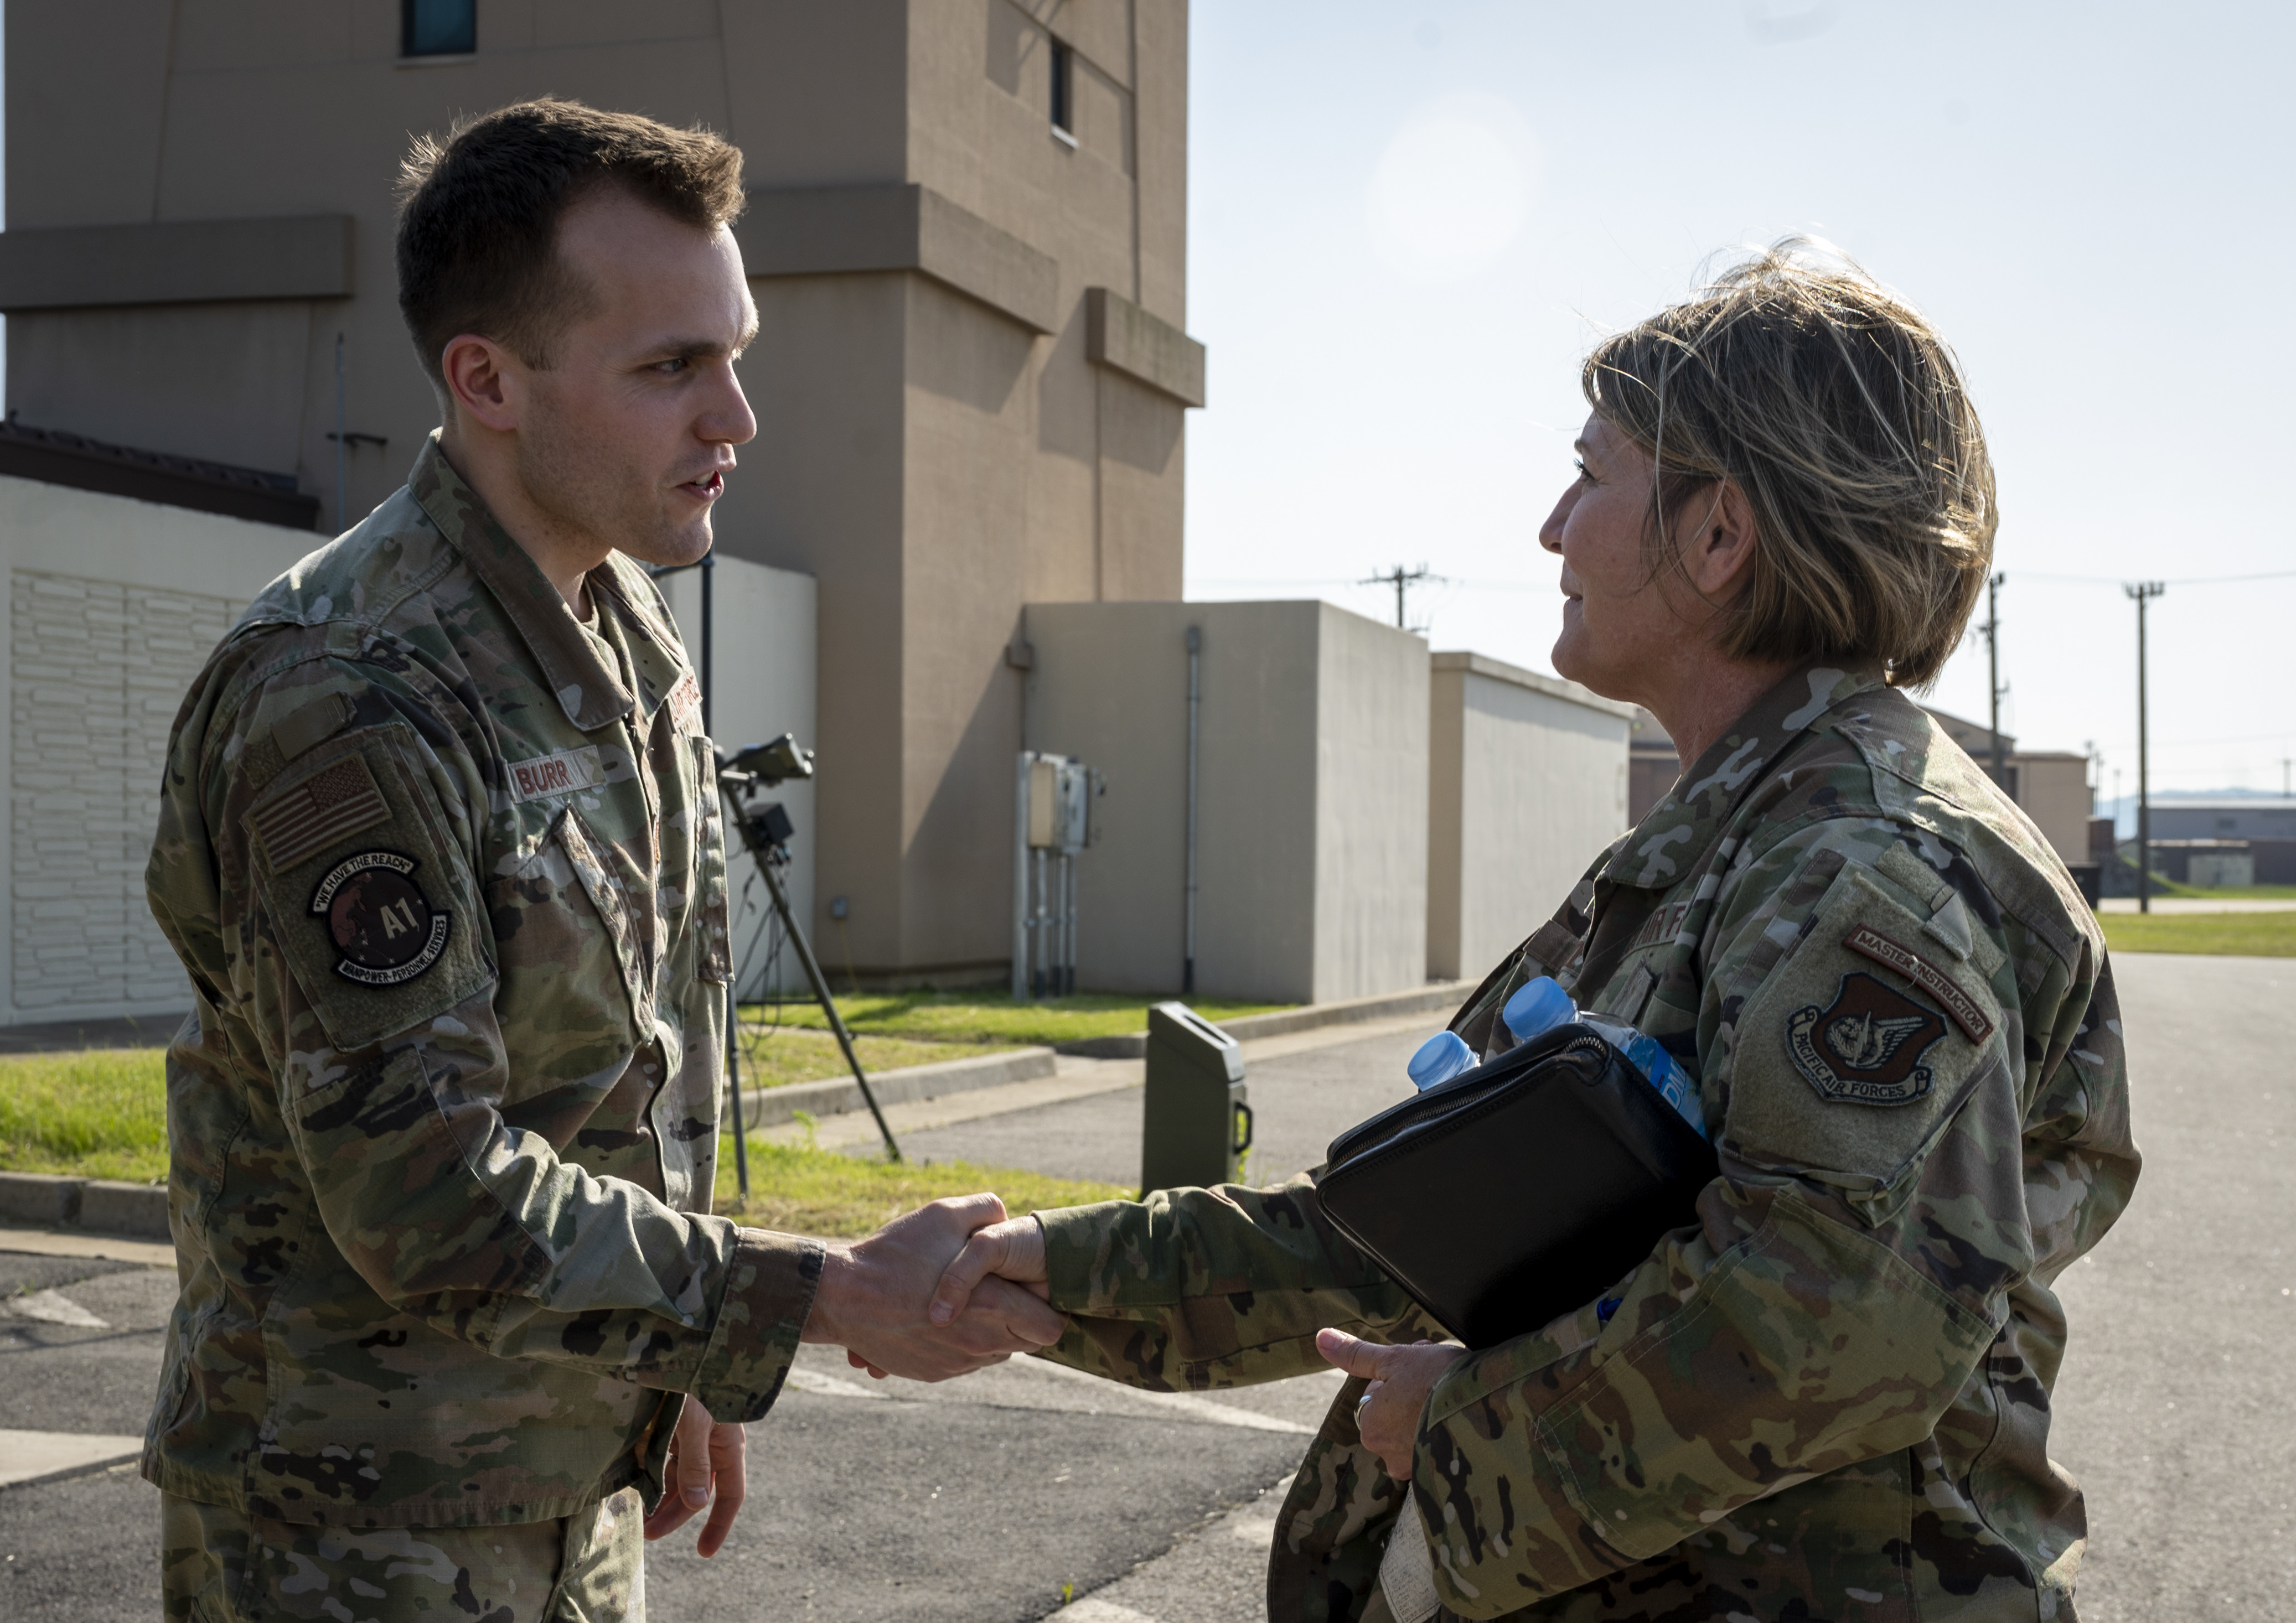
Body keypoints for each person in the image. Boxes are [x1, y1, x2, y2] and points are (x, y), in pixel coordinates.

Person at [928, 245, 2139, 1621]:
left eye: (1593, 475)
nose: (1553, 528)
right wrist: (1043, 1269)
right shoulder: (1725, 844)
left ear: (1717, 534)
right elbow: (1403, 1233)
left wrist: (1465, 1430)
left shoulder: (1866, 866)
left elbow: (1833, 1320)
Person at [142, 100, 1062, 1622]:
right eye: (669, 367)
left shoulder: (619, 626)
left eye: (734, 351)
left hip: (566, 1476)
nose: (735, 416)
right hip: (350, 1521)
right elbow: (421, 1186)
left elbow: (644, 1047)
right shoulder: (346, 696)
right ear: (486, 379)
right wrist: (814, 1296)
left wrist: (681, 1352)